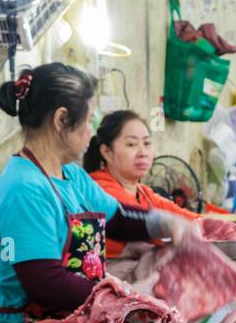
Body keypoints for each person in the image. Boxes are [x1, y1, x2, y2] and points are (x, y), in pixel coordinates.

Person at [0, 64, 192, 323]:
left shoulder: (73, 176)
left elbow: (117, 218)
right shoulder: (24, 188)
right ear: (62, 119)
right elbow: (45, 281)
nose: (92, 133)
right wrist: (126, 297)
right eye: (89, 120)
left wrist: (163, 222)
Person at [83, 110, 201, 258]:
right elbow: (142, 226)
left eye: (147, 143)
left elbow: (188, 218)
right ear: (107, 152)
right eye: (131, 144)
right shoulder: (98, 187)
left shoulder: (145, 193)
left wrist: (213, 227)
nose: (143, 152)